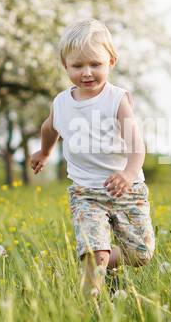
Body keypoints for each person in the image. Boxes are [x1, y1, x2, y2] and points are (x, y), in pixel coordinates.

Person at [29, 19, 156, 298]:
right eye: (77, 66)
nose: (87, 73)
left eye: (95, 64)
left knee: (141, 254)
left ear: (111, 61)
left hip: (126, 189)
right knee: (93, 250)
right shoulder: (62, 102)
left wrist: (128, 174)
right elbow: (50, 127)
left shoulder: (117, 100)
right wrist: (45, 151)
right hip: (85, 192)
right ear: (65, 66)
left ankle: (108, 263)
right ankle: (91, 304)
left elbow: (137, 146)